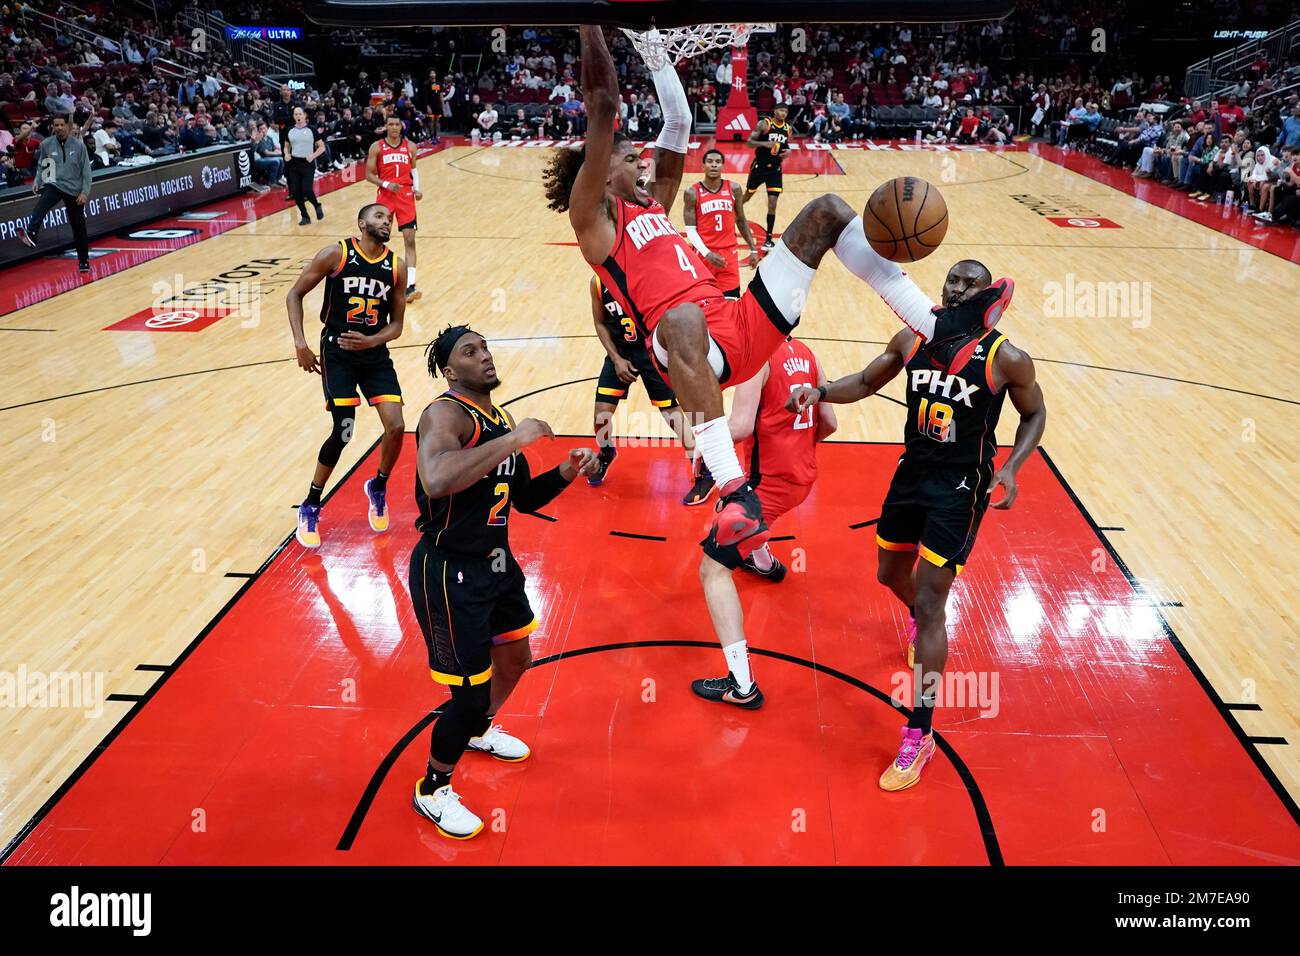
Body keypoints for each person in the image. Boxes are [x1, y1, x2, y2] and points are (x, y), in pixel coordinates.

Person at [544, 26, 973, 678]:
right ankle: (732, 488)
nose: (639, 161)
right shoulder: (596, 222)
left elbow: (680, 117)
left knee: (827, 210)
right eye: (627, 157)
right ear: (599, 172)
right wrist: (591, 21)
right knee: (685, 315)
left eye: (638, 156)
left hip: (739, 326)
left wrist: (651, 43)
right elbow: (602, 105)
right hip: (683, 347)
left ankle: (933, 324)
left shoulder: (656, 202)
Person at [787, 260, 1045, 791]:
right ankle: (918, 617)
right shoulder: (912, 337)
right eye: (950, 279)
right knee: (887, 574)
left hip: (960, 488)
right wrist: (820, 392)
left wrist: (1013, 466)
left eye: (967, 284)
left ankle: (919, 732)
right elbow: (863, 381)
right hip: (911, 474)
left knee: (933, 603)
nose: (954, 289)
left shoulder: (1006, 358)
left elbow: (1034, 413)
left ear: (986, 295)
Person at [409, 326, 598, 839]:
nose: (485, 356)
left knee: (516, 661)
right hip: (448, 572)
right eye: (470, 352)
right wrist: (516, 440)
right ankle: (433, 787)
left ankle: (477, 733)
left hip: (496, 565)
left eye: (486, 347)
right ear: (450, 370)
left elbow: (524, 500)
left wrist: (566, 470)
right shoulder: (444, 414)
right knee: (467, 695)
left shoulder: (500, 417)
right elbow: (438, 479)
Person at [691, 337, 837, 707]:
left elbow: (739, 425)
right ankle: (764, 562)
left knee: (713, 571)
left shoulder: (757, 358)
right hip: (802, 478)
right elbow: (831, 422)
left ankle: (741, 686)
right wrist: (796, 449)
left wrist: (700, 443)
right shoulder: (808, 353)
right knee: (732, 513)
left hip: (764, 487)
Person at [286, 204, 408, 548]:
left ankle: (378, 485)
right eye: (380, 217)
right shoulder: (336, 254)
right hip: (337, 351)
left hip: (374, 353)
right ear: (362, 223)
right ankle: (311, 503)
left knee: (396, 426)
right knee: (344, 431)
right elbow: (294, 294)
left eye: (390, 218)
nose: (387, 221)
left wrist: (372, 340)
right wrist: (301, 343)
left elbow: (397, 326)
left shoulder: (396, 267)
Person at [587, 276, 712, 504]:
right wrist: (616, 359)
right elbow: (600, 323)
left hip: (651, 351)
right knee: (600, 415)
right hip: (620, 353)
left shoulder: (644, 277)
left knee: (672, 415)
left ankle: (703, 470)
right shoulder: (598, 282)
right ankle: (606, 452)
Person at [16, 114, 92, 273]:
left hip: (74, 190)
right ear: (52, 127)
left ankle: (83, 260)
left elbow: (86, 172)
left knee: (78, 226)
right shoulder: (46, 144)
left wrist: (84, 192)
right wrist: (38, 181)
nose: (59, 128)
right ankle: (32, 233)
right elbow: (43, 165)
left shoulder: (78, 145)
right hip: (55, 184)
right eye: (56, 125)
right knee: (42, 205)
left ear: (67, 126)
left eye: (61, 125)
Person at [682, 147, 758, 299]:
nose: (714, 165)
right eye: (710, 162)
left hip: (728, 256)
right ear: (703, 166)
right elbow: (690, 230)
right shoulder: (692, 192)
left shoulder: (734, 188)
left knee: (731, 303)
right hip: (704, 255)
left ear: (723, 166)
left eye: (718, 162)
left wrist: (753, 249)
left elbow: (741, 220)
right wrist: (707, 253)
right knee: (704, 305)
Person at [366, 114, 422, 301]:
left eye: (397, 124)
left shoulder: (411, 146)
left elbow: (414, 170)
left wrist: (417, 189)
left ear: (401, 126)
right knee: (377, 240)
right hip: (386, 195)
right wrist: (385, 184)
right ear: (385, 127)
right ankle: (374, 280)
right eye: (390, 124)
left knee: (409, 239)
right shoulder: (377, 147)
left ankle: (410, 286)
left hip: (405, 195)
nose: (394, 127)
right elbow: (368, 174)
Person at [744, 104, 792, 249]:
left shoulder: (787, 129)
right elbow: (749, 143)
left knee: (772, 204)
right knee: (747, 195)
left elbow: (785, 146)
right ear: (774, 110)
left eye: (785, 111)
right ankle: (733, 211)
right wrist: (765, 143)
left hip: (775, 170)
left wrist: (788, 152)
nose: (782, 113)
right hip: (760, 167)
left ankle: (769, 239)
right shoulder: (765, 124)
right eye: (780, 110)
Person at [284, 106, 325, 225]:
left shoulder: (312, 129)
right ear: (293, 116)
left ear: (304, 115)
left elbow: (321, 147)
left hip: (307, 163)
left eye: (300, 114)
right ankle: (305, 216)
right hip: (294, 163)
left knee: (306, 189)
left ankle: (317, 205)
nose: (298, 116)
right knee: (296, 191)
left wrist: (313, 156)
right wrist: (286, 153)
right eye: (295, 114)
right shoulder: (290, 130)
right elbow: (286, 146)